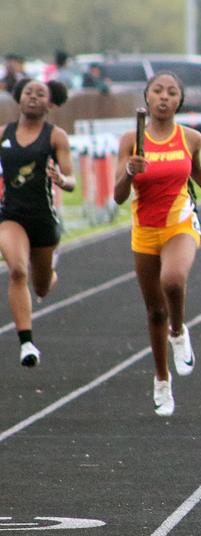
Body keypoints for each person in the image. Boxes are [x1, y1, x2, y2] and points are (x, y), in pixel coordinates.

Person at [113, 72, 201, 416]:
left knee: (173, 281)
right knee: (154, 311)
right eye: (158, 91)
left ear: (180, 100)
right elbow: (117, 197)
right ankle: (162, 380)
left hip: (180, 223)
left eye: (172, 92)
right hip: (145, 229)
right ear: (147, 97)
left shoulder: (190, 138)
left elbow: (198, 171)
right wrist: (130, 171)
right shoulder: (131, 140)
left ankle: (178, 332)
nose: (164, 97)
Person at [3, 80, 76, 368]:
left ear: (51, 104)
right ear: (19, 98)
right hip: (10, 216)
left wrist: (61, 179)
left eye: (40, 94)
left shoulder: (55, 136)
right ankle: (27, 344)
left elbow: (71, 179)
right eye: (28, 93)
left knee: (42, 287)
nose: (33, 97)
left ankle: (49, 270)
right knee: (18, 270)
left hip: (43, 220)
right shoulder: (3, 134)